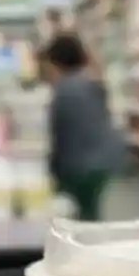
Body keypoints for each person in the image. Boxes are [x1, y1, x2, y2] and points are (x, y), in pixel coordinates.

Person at [44, 34, 125, 221]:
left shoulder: (64, 89)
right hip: (104, 158)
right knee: (90, 209)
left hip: (81, 165)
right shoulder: (90, 81)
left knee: (81, 215)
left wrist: (54, 170)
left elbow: (62, 134)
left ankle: (86, 245)